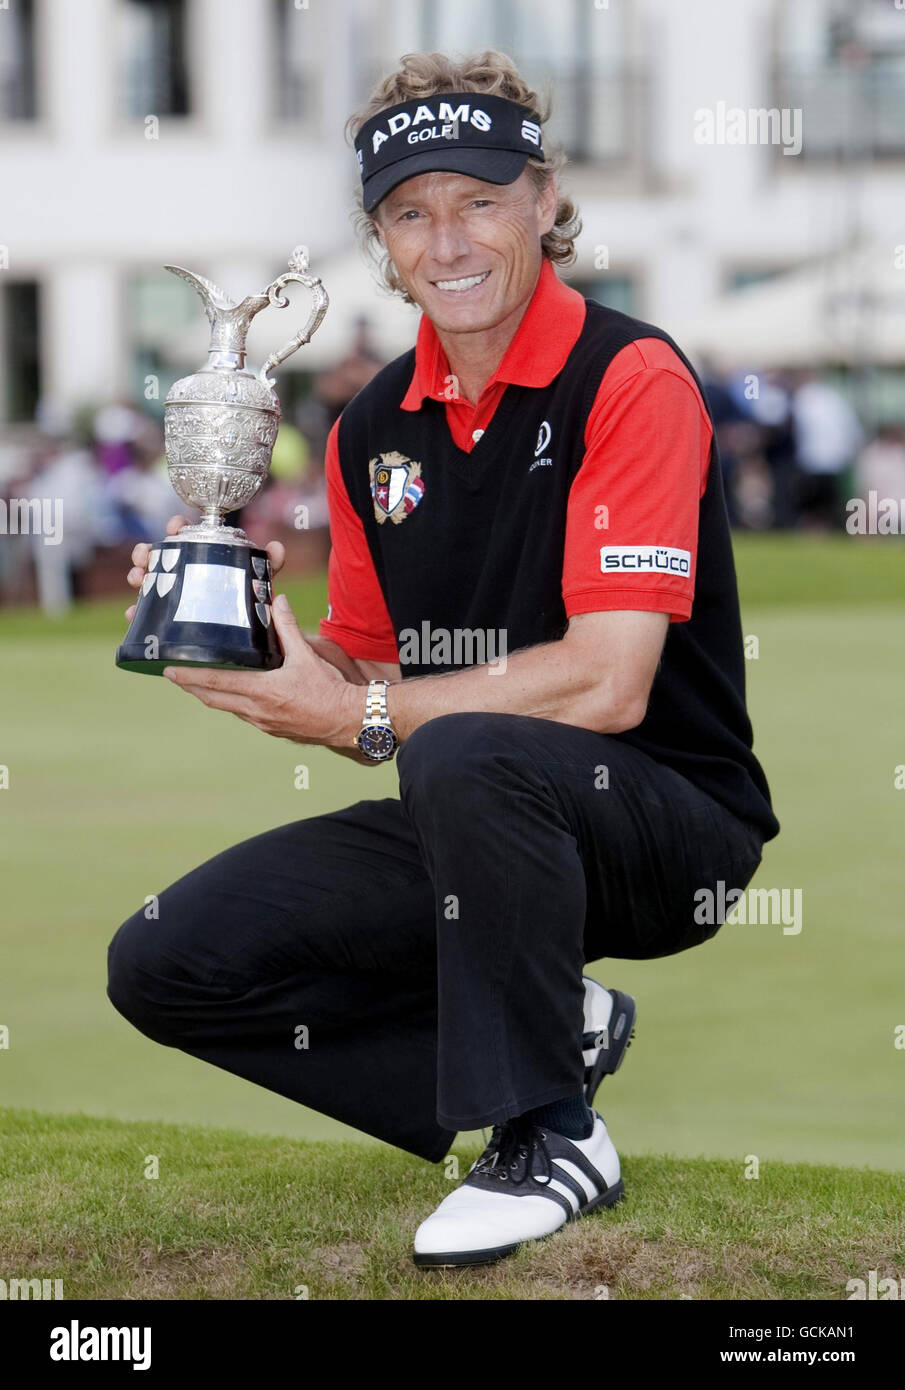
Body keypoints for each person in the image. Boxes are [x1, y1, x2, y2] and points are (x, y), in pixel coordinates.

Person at [106, 50, 779, 1269]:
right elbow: (358, 657)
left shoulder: (629, 375)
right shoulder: (371, 425)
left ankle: (547, 1135)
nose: (447, 238)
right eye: (410, 211)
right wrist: (227, 618)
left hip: (666, 818)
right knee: (166, 960)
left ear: (541, 200)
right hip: (478, 819)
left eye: (477, 198)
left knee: (461, 748)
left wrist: (359, 714)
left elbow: (608, 680)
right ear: (380, 237)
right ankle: (546, 1025)